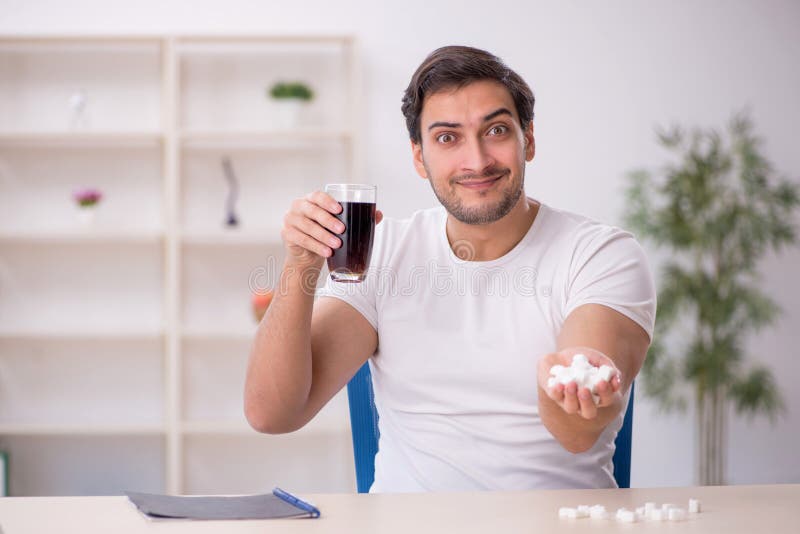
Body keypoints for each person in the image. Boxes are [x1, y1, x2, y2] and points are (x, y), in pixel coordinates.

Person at [244, 45, 656, 492]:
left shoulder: (599, 255)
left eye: (496, 130)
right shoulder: (382, 255)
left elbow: (577, 433)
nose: (476, 161)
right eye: (447, 138)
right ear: (419, 158)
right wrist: (300, 264)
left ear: (528, 140)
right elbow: (271, 414)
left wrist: (566, 389)